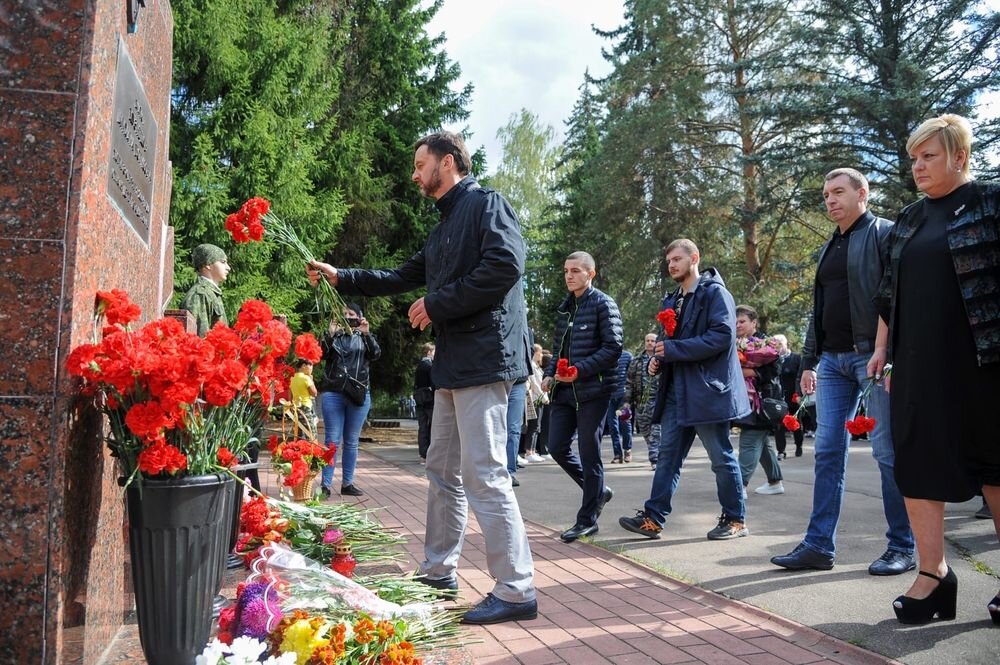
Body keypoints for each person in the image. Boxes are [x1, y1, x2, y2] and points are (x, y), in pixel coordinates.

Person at [306, 131, 536, 625]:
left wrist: (437, 303)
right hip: (453, 367)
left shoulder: (486, 204)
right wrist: (341, 276)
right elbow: (400, 276)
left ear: (447, 162)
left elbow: (506, 265)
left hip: (484, 361)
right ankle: (438, 570)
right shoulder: (443, 228)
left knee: (486, 474)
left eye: (419, 164)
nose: (413, 174)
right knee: (442, 472)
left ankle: (517, 590)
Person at [869, 114, 1000, 624]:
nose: (918, 167)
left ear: (959, 157)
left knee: (994, 462)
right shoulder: (909, 219)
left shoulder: (991, 202)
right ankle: (933, 576)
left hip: (985, 361)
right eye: (913, 159)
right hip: (919, 363)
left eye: (929, 157)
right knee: (918, 461)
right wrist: (881, 348)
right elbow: (888, 294)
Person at [771, 167, 915, 576]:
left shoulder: (885, 234)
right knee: (829, 452)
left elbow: (896, 299)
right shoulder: (826, 248)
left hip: (874, 358)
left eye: (838, 192)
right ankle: (818, 546)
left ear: (862, 194)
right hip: (832, 362)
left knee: (886, 453)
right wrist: (808, 361)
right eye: (825, 195)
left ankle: (901, 546)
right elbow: (817, 312)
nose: (830, 200)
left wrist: (891, 355)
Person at [618, 239, 750, 541]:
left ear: (695, 258)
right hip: (678, 390)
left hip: (707, 390)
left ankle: (735, 520)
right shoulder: (673, 299)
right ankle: (652, 518)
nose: (672, 265)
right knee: (668, 457)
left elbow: (722, 337)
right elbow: (670, 346)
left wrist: (673, 349)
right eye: (669, 261)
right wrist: (657, 361)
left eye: (677, 259)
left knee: (720, 457)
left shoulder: (716, 293)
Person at [542, 251, 623, 543]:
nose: (569, 275)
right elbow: (558, 348)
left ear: (591, 273)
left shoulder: (604, 304)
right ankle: (598, 491)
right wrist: (550, 373)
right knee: (556, 446)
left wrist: (580, 370)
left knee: (590, 453)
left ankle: (587, 519)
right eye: (566, 270)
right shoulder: (566, 308)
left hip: (594, 391)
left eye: (575, 270)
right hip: (564, 391)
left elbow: (613, 347)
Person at [317, 304, 380, 498]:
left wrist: (367, 333)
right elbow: (320, 354)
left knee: (351, 442)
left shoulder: (366, 338)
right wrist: (330, 333)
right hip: (333, 393)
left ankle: (347, 483)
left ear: (360, 318)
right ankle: (325, 485)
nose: (347, 317)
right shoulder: (334, 338)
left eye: (351, 314)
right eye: (344, 315)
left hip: (358, 394)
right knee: (331, 441)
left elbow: (376, 354)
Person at [734, 305, 785, 496]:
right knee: (761, 442)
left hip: (763, 400)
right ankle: (775, 481)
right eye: (736, 321)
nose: (738, 325)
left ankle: (739, 486)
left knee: (749, 439)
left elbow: (776, 369)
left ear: (753, 322)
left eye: (742, 321)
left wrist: (751, 371)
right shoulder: (735, 342)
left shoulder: (767, 343)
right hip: (743, 399)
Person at [624, 333, 661, 469]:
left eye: (653, 340)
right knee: (646, 431)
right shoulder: (636, 361)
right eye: (648, 340)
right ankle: (656, 453)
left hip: (658, 401)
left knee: (656, 431)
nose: (650, 343)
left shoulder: (662, 359)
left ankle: (655, 459)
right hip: (641, 403)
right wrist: (627, 402)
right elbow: (629, 382)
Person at [180, 243, 230, 336]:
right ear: (208, 265)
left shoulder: (211, 293)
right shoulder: (200, 294)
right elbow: (199, 338)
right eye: (223, 262)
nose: (228, 267)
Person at [771, 334, 804, 459]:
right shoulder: (773, 359)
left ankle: (799, 445)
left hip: (793, 396)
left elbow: (800, 377)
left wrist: (799, 394)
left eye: (780, 343)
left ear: (786, 344)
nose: (778, 346)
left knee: (795, 422)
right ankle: (781, 450)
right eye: (775, 344)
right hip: (778, 397)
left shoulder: (796, 358)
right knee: (779, 425)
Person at [605, 348, 634, 464]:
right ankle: (617, 454)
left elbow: (631, 376)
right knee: (613, 426)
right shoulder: (605, 356)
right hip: (609, 396)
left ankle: (627, 450)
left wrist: (630, 395)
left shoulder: (627, 356)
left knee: (625, 423)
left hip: (623, 396)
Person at [521, 343, 547, 463]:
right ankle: (528, 451)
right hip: (535, 398)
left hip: (539, 398)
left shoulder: (536, 366)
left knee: (537, 426)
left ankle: (532, 450)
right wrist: (543, 396)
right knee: (533, 425)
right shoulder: (531, 365)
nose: (541, 354)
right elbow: (535, 383)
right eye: (540, 352)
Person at [414, 343, 435, 462]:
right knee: (432, 425)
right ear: (429, 352)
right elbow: (433, 382)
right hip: (429, 399)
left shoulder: (419, 365)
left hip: (419, 398)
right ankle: (430, 452)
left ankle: (423, 452)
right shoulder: (429, 365)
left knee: (422, 426)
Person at [288, 359, 319, 437]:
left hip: (296, 408)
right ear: (303, 366)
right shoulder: (306, 378)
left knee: (299, 433)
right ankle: (312, 448)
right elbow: (314, 393)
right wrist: (311, 380)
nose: (312, 368)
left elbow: (290, 395)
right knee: (311, 433)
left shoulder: (292, 378)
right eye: (311, 365)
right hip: (306, 407)